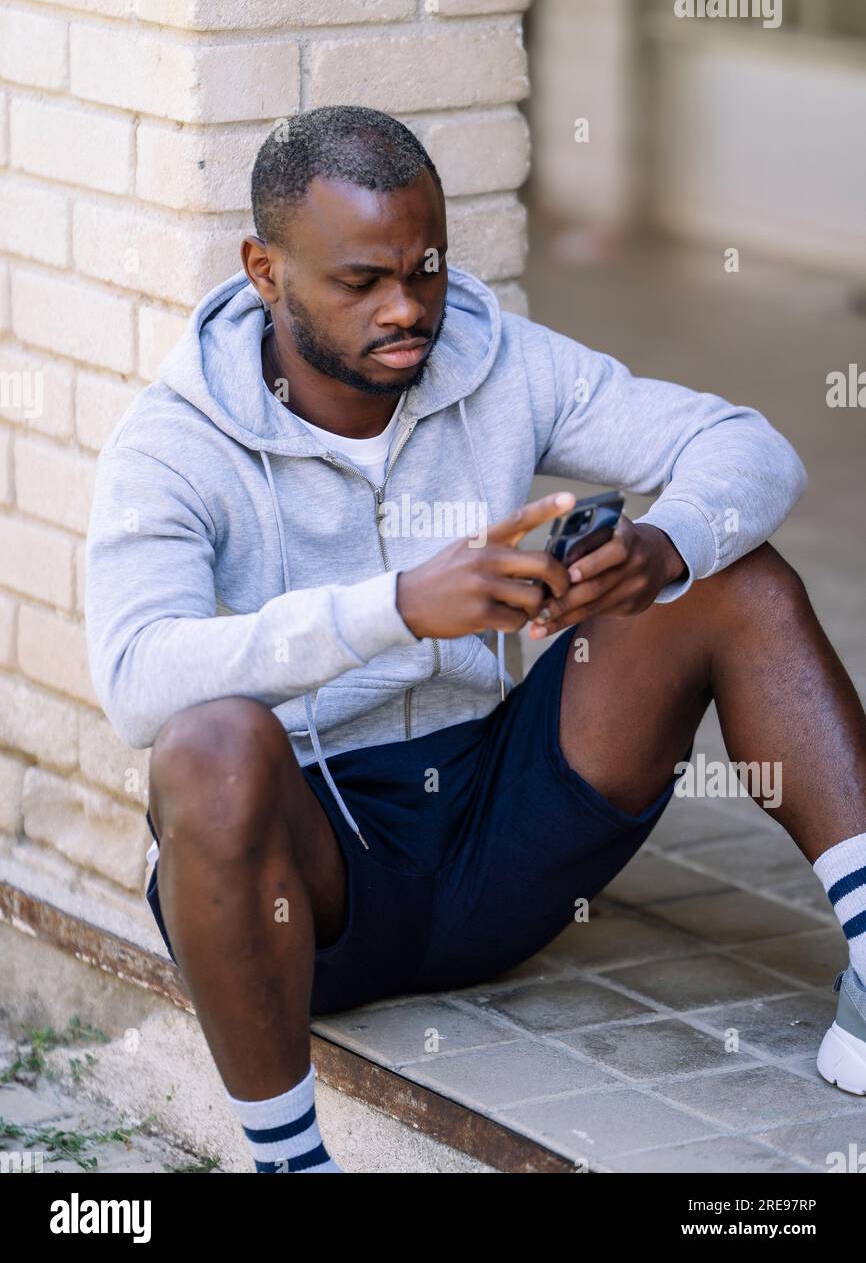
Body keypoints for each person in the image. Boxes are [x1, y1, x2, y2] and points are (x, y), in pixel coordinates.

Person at [85, 105, 866, 1174]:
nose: (407, 309)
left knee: (730, 575)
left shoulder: (496, 363)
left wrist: (660, 548)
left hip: (495, 836)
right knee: (206, 745)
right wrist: (398, 605)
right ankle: (288, 1163)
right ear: (263, 271)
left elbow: (742, 443)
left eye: (426, 268)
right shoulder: (173, 445)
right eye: (361, 281)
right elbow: (136, 683)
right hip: (308, 886)